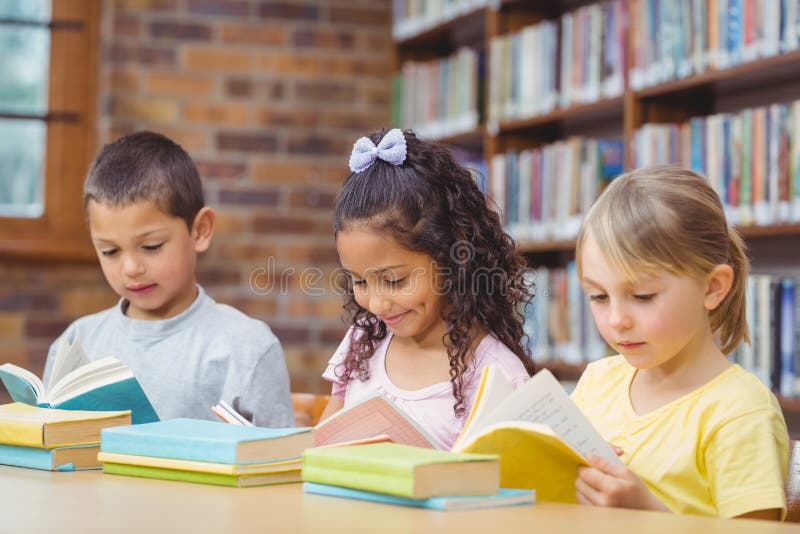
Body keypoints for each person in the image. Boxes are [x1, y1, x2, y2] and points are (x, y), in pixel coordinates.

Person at [571, 165, 788, 519]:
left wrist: (646, 512)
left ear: (713, 287)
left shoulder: (740, 412)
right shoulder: (596, 382)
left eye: (642, 296)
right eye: (598, 297)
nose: (616, 320)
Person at [43, 131, 294, 427]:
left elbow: (280, 454)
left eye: (152, 246)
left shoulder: (247, 347)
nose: (131, 268)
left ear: (200, 230)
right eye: (110, 251)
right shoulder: (76, 343)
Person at [318, 128, 535, 449]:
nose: (376, 304)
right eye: (359, 281)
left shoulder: (497, 376)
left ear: (453, 259)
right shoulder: (363, 340)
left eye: (394, 281)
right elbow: (320, 447)